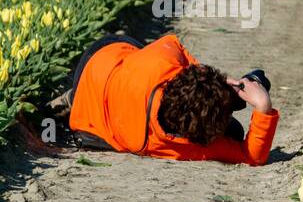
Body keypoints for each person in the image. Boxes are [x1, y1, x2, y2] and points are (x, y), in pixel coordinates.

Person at [54, 33, 278, 165]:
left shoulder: (161, 60)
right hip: (88, 126)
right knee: (234, 133)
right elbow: (252, 156)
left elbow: (175, 44)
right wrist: (263, 107)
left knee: (135, 47)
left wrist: (218, 79)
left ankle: (76, 95)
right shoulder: (181, 147)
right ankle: (77, 97)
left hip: (98, 61)